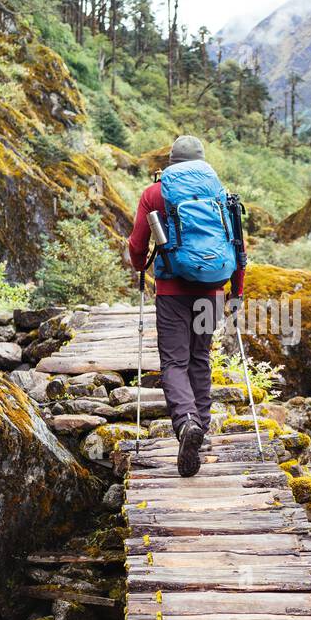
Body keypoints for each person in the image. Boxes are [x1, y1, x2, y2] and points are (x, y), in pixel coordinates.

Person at [127, 136, 246, 477]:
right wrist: (235, 292)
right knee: (200, 359)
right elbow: (238, 249)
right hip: (213, 291)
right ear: (202, 160)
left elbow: (138, 245)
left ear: (170, 161)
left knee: (175, 362)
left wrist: (139, 266)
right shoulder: (221, 195)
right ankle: (201, 432)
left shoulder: (155, 193)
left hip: (172, 292)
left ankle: (186, 425)